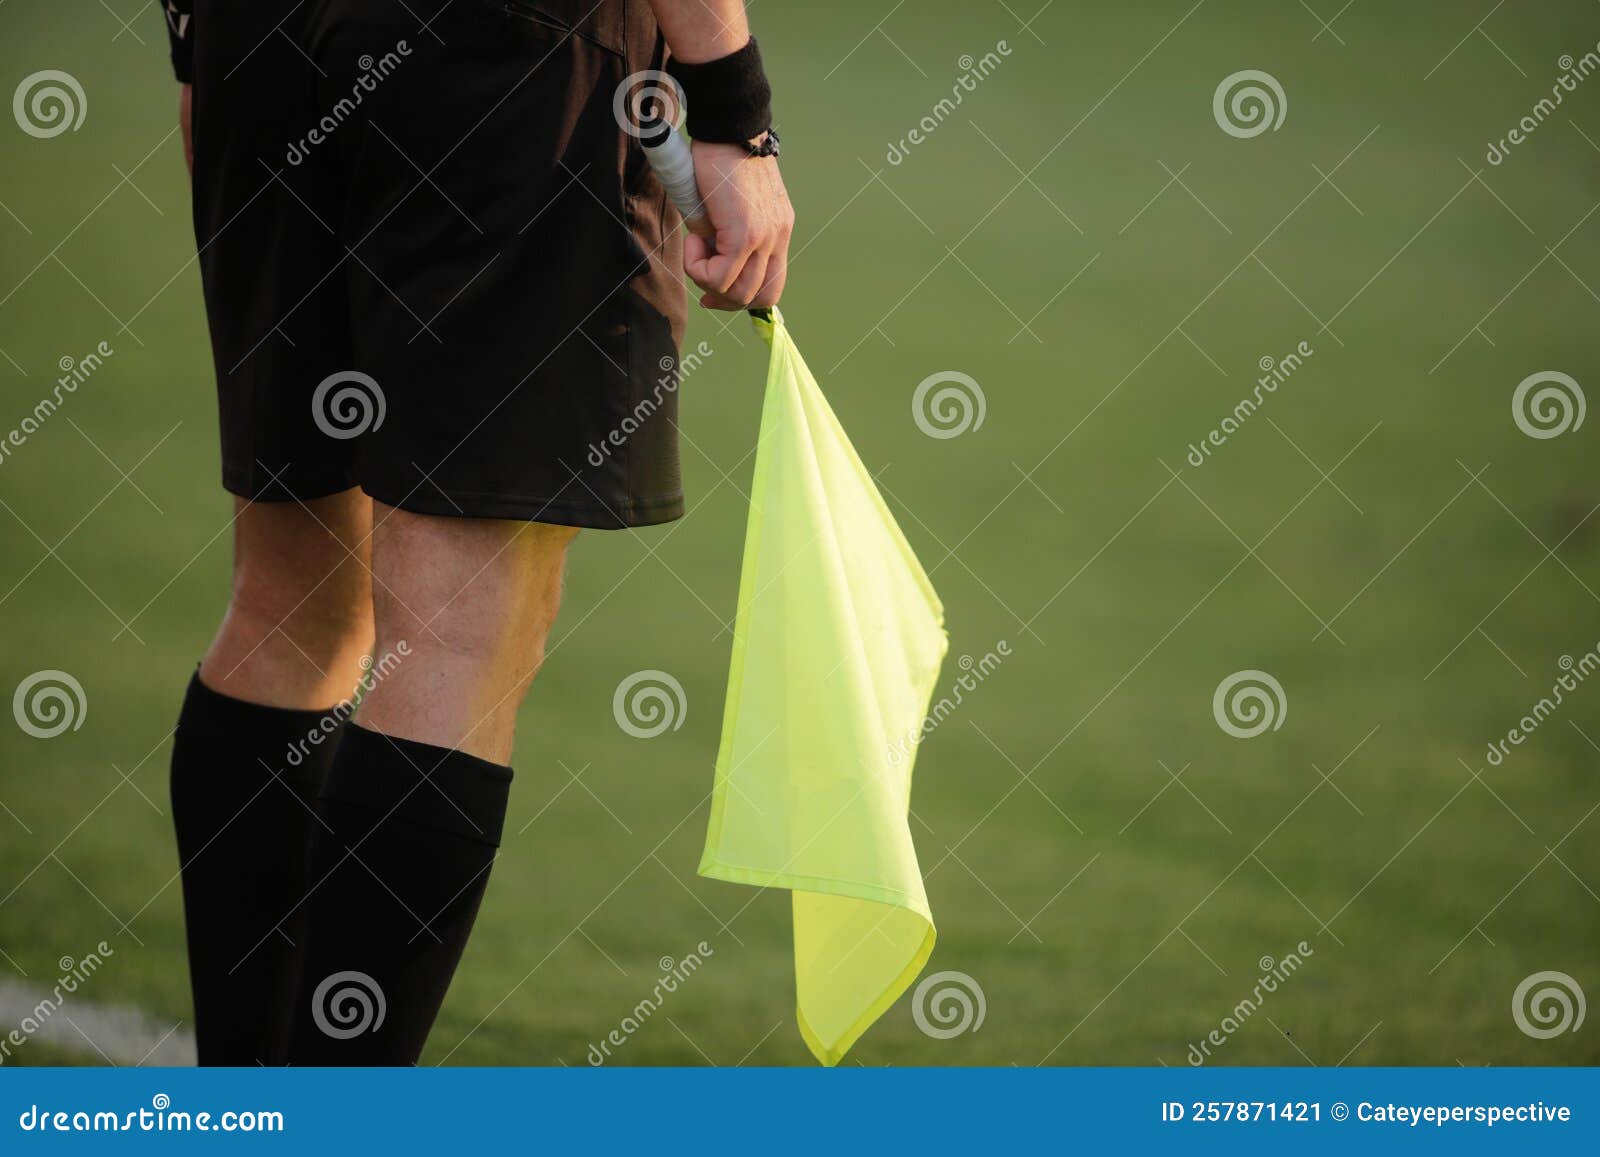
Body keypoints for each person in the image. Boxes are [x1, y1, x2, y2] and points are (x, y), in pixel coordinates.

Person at [160, 0, 792, 1065]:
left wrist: (197, 41)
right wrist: (734, 110)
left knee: (289, 606)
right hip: (508, 56)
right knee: (458, 630)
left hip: (254, 36)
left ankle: (246, 1103)